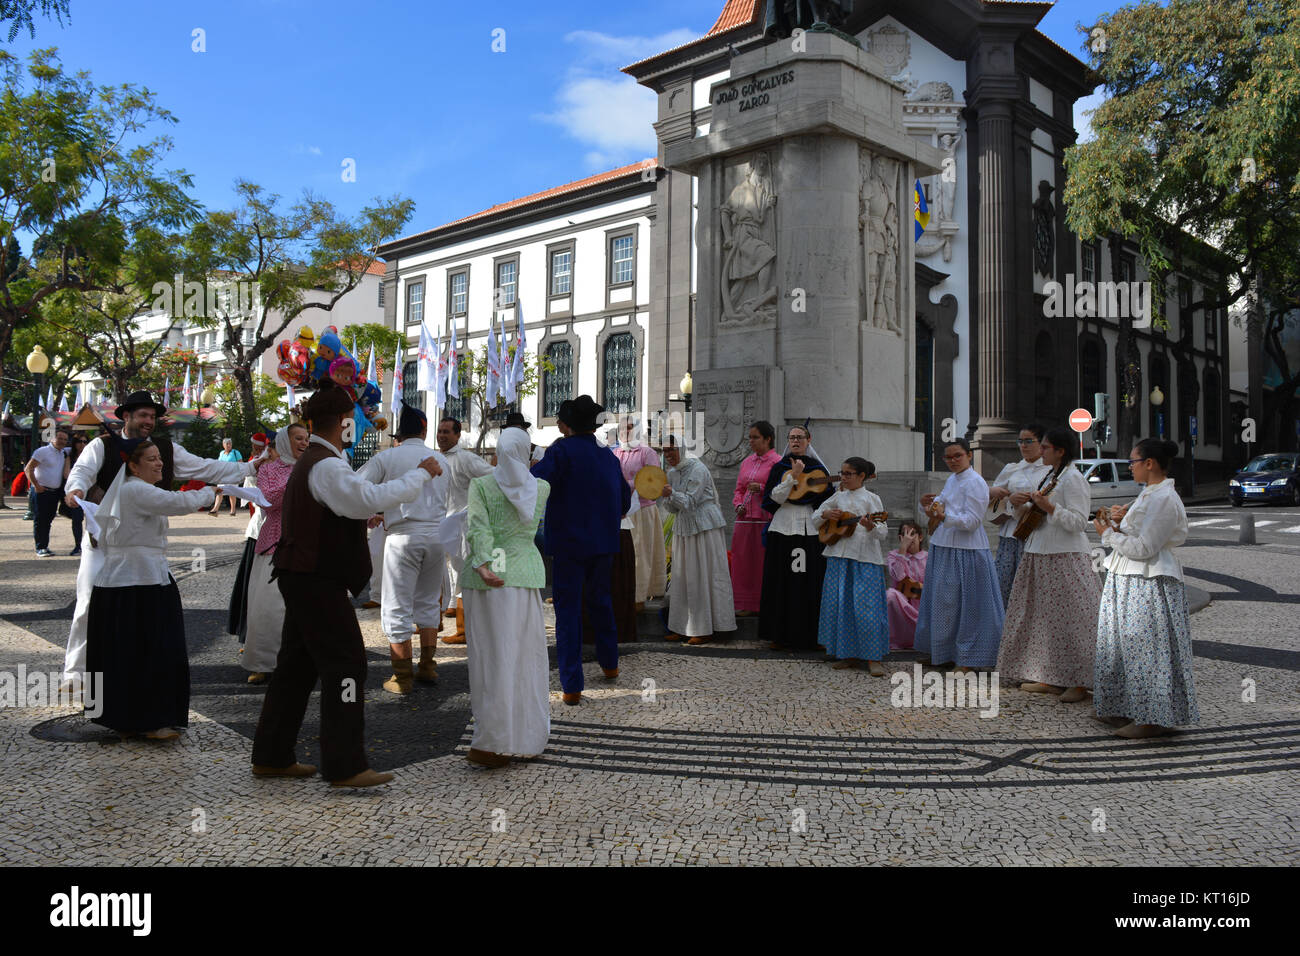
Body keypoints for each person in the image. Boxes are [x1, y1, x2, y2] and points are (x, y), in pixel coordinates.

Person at [250, 383, 441, 787]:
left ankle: (272, 754)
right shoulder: (325, 464)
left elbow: (348, 506)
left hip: (304, 575)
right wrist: (420, 474)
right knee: (347, 666)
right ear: (344, 423)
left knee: (295, 669)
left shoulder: (320, 461)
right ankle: (345, 763)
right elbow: (368, 497)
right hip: (315, 579)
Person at [63, 391, 255, 689]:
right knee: (88, 603)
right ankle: (76, 672)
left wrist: (248, 468)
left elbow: (206, 468)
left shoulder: (165, 449)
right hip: (102, 541)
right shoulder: (102, 445)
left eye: (152, 416)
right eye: (142, 415)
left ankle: (124, 672)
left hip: (143, 546)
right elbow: (82, 472)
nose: (148, 421)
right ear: (126, 416)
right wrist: (75, 490)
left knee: (139, 611)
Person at [85, 440, 217, 739]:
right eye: (152, 459)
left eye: (160, 458)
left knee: (132, 652)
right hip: (136, 582)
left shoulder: (132, 489)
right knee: (147, 651)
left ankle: (133, 719)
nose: (160, 464)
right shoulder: (135, 489)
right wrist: (212, 492)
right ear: (133, 465)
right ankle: (145, 721)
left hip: (140, 578)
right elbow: (178, 502)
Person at [1092, 438, 1198, 739]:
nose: (1130, 467)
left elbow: (1146, 547)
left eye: (1132, 462)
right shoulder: (1150, 494)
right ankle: (1126, 706)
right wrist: (1118, 524)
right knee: (1125, 646)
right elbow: (1139, 536)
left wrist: (1108, 535)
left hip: (1147, 578)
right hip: (1131, 576)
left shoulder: (1163, 497)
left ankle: (1151, 716)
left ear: (1149, 463)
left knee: (1146, 649)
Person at [531, 395, 630, 705]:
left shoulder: (560, 450)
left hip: (569, 543)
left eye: (560, 420)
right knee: (601, 602)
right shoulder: (608, 455)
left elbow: (535, 483)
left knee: (569, 610)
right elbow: (625, 499)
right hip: (603, 542)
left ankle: (572, 684)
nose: (558, 424)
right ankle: (610, 664)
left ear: (567, 425)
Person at [462, 428, 552, 768]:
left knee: (490, 659)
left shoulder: (482, 485)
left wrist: (484, 563)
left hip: (487, 581)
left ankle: (490, 742)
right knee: (524, 657)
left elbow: (478, 527)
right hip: (525, 577)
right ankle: (524, 736)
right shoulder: (541, 487)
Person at [997, 427, 1101, 702]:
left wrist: (1049, 507)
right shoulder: (1051, 475)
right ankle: (1052, 675)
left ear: (1060, 451)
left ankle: (1080, 680)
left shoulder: (1074, 479)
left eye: (1045, 447)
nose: (1040, 451)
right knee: (1044, 620)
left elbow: (1079, 522)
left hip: (1064, 555)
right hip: (1039, 552)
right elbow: (1036, 511)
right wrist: (1022, 504)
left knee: (1075, 620)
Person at [358, 405, 450, 694]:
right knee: (427, 601)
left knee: (397, 605)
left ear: (400, 432)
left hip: (402, 536)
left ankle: (401, 677)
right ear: (424, 429)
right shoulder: (440, 459)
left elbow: (357, 486)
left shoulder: (387, 457)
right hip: (436, 536)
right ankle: (427, 667)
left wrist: (377, 508)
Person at [914, 438, 1005, 670]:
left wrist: (945, 517)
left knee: (970, 607)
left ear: (969, 455)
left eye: (958, 456)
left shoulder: (975, 482)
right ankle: (943, 652)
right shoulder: (952, 479)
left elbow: (973, 522)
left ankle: (970, 658)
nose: (953, 461)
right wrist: (929, 505)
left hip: (968, 550)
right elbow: (941, 506)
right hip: (945, 545)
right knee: (944, 604)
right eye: (949, 457)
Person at [242, 424, 309, 684]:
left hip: (307, 542)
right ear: (283, 442)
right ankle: (264, 663)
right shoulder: (268, 468)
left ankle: (303, 664)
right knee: (267, 605)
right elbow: (267, 501)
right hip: (274, 540)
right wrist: (296, 477)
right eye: (297, 439)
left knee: (304, 607)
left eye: (306, 438)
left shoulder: (316, 467)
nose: (303, 443)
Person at [811, 457, 890, 674]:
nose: (843, 477)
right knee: (841, 607)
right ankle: (848, 654)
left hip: (864, 559)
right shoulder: (838, 496)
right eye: (842, 472)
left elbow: (882, 532)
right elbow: (815, 517)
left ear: (862, 476)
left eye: (848, 474)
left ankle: (874, 658)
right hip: (838, 557)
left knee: (867, 609)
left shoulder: (873, 500)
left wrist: (870, 525)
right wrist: (825, 514)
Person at [759, 423, 834, 651]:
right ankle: (779, 634)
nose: (796, 441)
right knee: (782, 582)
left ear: (808, 440)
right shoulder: (779, 467)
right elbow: (774, 499)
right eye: (792, 437)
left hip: (810, 531)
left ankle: (813, 635)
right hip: (783, 530)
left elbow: (828, 499)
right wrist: (793, 476)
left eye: (800, 437)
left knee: (811, 583)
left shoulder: (818, 469)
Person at [657, 435, 735, 645]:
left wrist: (671, 493)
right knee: (683, 578)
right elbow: (674, 507)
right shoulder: (672, 473)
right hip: (684, 527)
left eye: (672, 450)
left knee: (701, 576)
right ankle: (683, 626)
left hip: (703, 528)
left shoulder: (697, 468)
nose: (669, 455)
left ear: (681, 448)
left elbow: (691, 501)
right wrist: (668, 497)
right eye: (665, 451)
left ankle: (705, 628)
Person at [434, 415, 494, 644]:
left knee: (463, 575)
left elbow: (491, 477)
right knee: (444, 572)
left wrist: (475, 509)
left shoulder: (466, 458)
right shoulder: (434, 458)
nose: (441, 436)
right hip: (442, 524)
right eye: (439, 431)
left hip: (462, 526)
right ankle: (442, 616)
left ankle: (464, 630)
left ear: (458, 435)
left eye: (447, 432)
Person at [987, 424, 1051, 605]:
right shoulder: (1012, 468)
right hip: (1010, 535)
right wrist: (1010, 501)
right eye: (1020, 441)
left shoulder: (1049, 471)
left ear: (1041, 443)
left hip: (1036, 534)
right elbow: (994, 501)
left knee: (1030, 590)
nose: (1023, 446)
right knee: (1004, 586)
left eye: (1029, 441)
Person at [613, 416, 667, 610]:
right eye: (622, 428)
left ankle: (639, 596)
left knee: (641, 553)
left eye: (629, 428)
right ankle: (622, 593)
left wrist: (624, 485)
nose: (625, 432)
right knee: (621, 554)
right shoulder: (615, 453)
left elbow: (654, 480)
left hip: (642, 509)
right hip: (621, 512)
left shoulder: (647, 452)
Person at [730, 421, 781, 616]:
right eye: (749, 437)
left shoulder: (777, 462)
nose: (750, 441)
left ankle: (761, 603)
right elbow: (739, 489)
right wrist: (738, 504)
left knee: (761, 561)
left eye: (755, 437)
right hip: (744, 519)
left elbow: (781, 491)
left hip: (764, 518)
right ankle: (743, 603)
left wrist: (761, 489)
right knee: (741, 560)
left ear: (768, 439)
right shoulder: (746, 462)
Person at [26, 428, 70, 557]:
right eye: (60, 438)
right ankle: (40, 547)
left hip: (54, 492)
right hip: (41, 491)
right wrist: (36, 486)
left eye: (65, 439)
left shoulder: (63, 453)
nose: (62, 441)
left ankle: (44, 545)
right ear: (52, 438)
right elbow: (28, 468)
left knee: (48, 520)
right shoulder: (42, 452)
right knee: (40, 519)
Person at [886, 520, 927, 651]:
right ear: (900, 538)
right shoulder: (893, 555)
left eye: (912, 533)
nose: (909, 538)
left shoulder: (929, 557)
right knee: (890, 595)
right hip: (903, 609)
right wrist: (902, 550)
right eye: (905, 534)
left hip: (923, 610)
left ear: (920, 537)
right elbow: (898, 576)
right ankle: (897, 640)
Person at [210, 438, 245, 516]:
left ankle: (233, 510)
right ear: (223, 445)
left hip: (232, 476)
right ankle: (215, 509)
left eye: (230, 443)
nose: (229, 445)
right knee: (219, 491)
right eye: (227, 444)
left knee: (232, 493)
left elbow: (241, 463)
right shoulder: (221, 453)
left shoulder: (236, 452)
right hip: (222, 476)